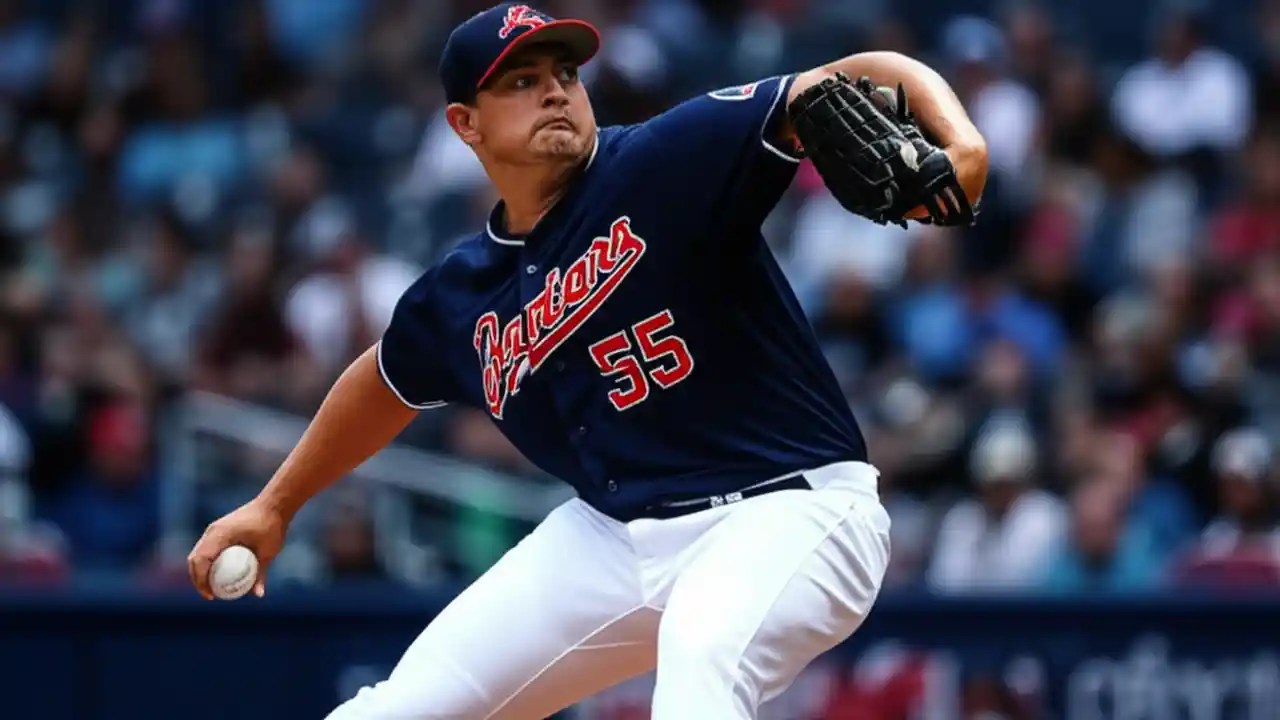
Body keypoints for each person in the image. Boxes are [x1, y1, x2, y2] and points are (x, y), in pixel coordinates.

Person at [187, 3, 988, 717]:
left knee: (702, 664)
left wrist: (962, 142)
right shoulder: (463, 293)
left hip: (791, 509)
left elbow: (848, 78)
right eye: (521, 82)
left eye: (565, 74)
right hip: (614, 536)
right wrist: (276, 505)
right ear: (465, 124)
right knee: (398, 710)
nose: (555, 93)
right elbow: (382, 382)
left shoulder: (662, 161)